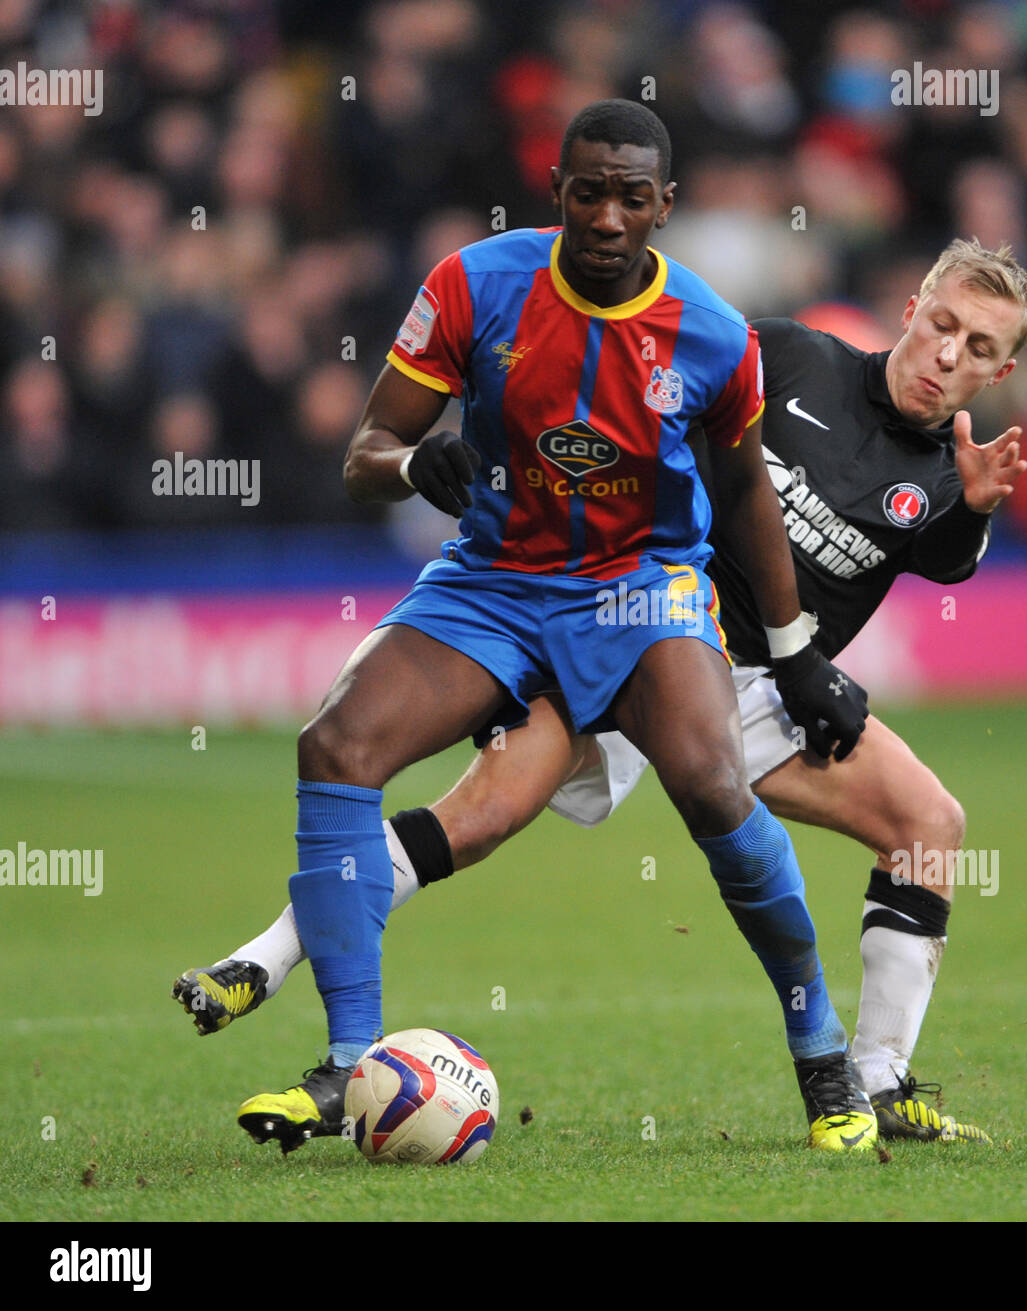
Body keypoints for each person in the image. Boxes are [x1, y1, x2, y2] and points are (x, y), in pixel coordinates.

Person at [178, 236, 1027, 1145]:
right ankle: (264, 959)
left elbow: (945, 561)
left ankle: (877, 1081)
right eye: (944, 324)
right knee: (478, 817)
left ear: (1002, 370)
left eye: (981, 348)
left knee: (929, 824)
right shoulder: (786, 354)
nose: (951, 355)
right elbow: (658, 407)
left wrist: (978, 505)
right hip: (631, 631)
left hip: (760, 690)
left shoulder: (954, 472)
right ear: (912, 309)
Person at [194, 99, 876, 1156]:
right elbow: (367, 449)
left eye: (630, 198)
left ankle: (822, 1053)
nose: (606, 217)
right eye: (587, 192)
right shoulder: (474, 284)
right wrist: (419, 465)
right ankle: (348, 1064)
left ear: (664, 208)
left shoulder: (710, 334)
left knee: (710, 784)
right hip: (495, 582)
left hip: (642, 587)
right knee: (335, 746)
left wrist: (795, 657)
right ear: (556, 191)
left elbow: (744, 495)